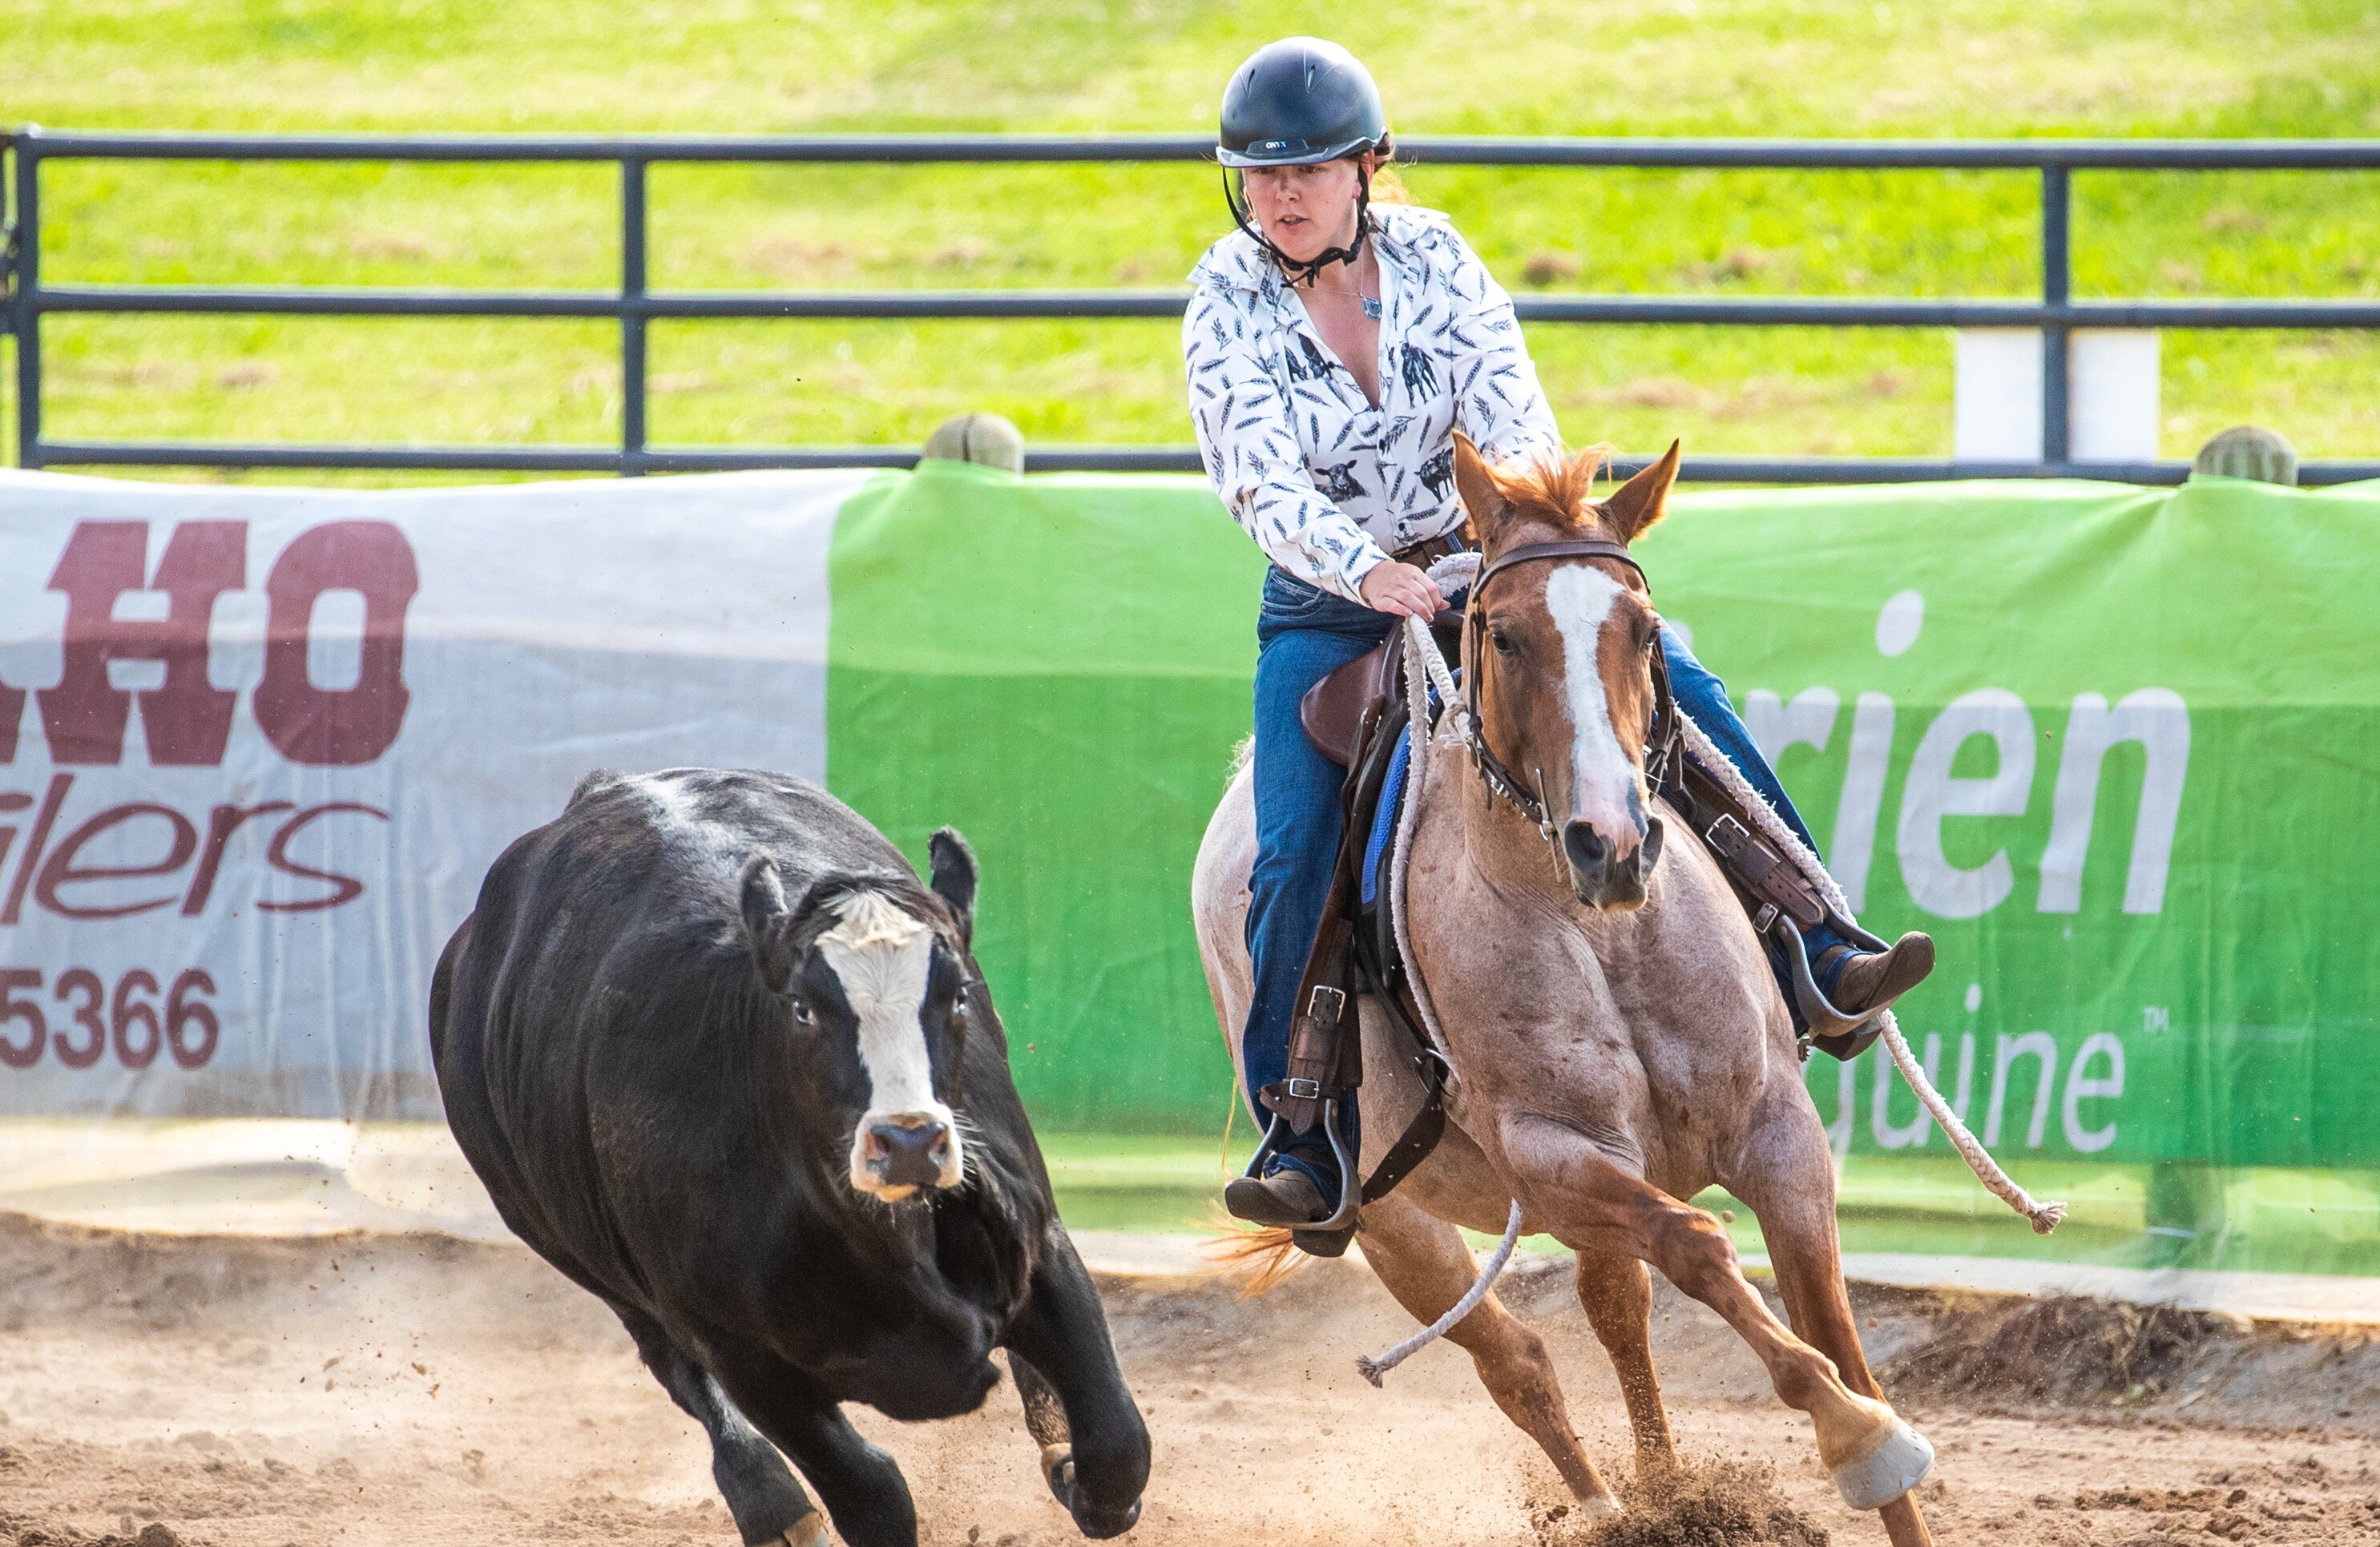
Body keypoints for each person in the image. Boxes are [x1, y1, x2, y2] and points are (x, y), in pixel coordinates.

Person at [1184, 38, 1934, 1231]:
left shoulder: (1436, 259)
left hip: (1497, 564)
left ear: (1367, 169)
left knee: (1681, 689)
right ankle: (1304, 1124)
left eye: (1309, 170)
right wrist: (1367, 570)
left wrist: (1523, 538)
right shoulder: (1222, 297)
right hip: (1330, 602)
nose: (1282, 194)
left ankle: (1814, 944)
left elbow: (1514, 414)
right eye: (1261, 175)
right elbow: (1259, 483)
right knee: (1287, 847)